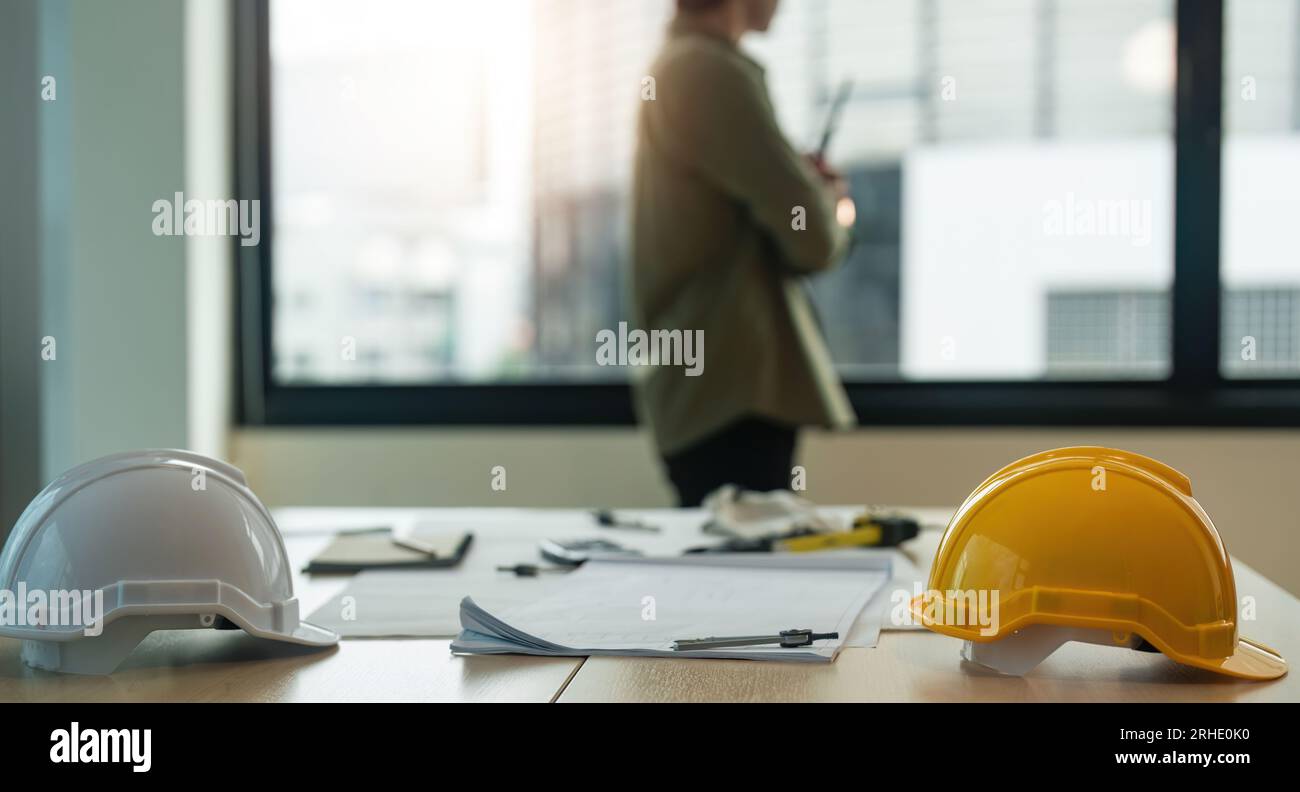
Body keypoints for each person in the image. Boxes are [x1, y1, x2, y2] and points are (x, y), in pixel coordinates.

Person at [631, 0, 856, 507]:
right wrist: (831, 201)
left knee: (734, 569)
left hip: (709, 388)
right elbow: (815, 240)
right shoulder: (707, 70)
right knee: (749, 572)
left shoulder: (679, 66)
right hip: (730, 393)